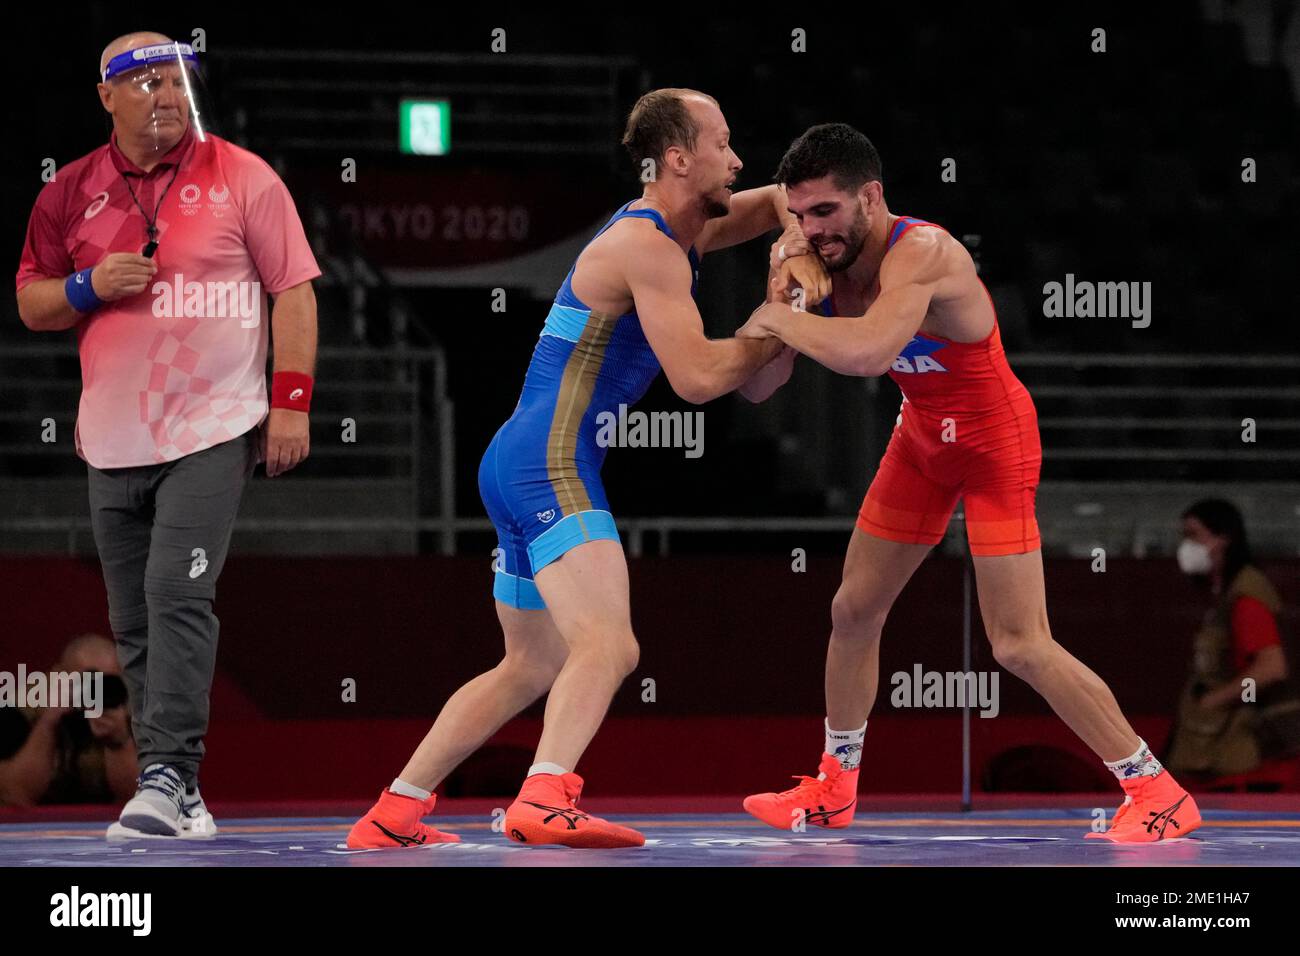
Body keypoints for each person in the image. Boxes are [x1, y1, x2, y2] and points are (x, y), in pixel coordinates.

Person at [347, 89, 826, 849]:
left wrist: (814, 216)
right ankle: (544, 797)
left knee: (528, 663)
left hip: (514, 459)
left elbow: (772, 203)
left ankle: (392, 812)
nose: (737, 160)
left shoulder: (673, 228)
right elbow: (699, 378)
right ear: (677, 158)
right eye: (723, 144)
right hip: (550, 465)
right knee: (610, 645)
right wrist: (780, 320)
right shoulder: (650, 249)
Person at [738, 123, 1200, 842]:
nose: (810, 229)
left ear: (871, 196)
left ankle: (1157, 791)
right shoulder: (813, 263)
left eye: (824, 212)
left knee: (1017, 642)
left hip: (993, 442)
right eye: (798, 215)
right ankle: (834, 786)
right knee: (852, 611)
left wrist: (775, 316)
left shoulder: (924, 252)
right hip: (921, 436)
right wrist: (783, 295)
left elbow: (868, 353)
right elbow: (763, 389)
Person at [14, 33, 320, 838]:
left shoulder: (243, 175)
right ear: (105, 96)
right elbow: (32, 303)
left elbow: (294, 291)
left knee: (176, 593)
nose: (166, 95)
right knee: (132, 620)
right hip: (111, 436)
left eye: (178, 81)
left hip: (213, 425)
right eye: (144, 82)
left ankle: (168, 775)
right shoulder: (69, 191)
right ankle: (177, 790)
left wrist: (290, 403)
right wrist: (89, 283)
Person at [1166, 498, 1300, 778]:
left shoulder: (1247, 596)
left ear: (1223, 539)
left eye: (1193, 535)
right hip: (1222, 731)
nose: (1186, 546)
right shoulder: (1225, 594)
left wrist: (1212, 702)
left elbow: (1272, 668)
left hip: (1241, 739)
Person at [0, 635, 137, 806]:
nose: (97, 692)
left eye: (108, 682)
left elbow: (137, 800)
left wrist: (119, 741)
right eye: (88, 682)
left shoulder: (137, 714)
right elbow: (16, 797)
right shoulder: (20, 712)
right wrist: (48, 722)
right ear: (58, 677)